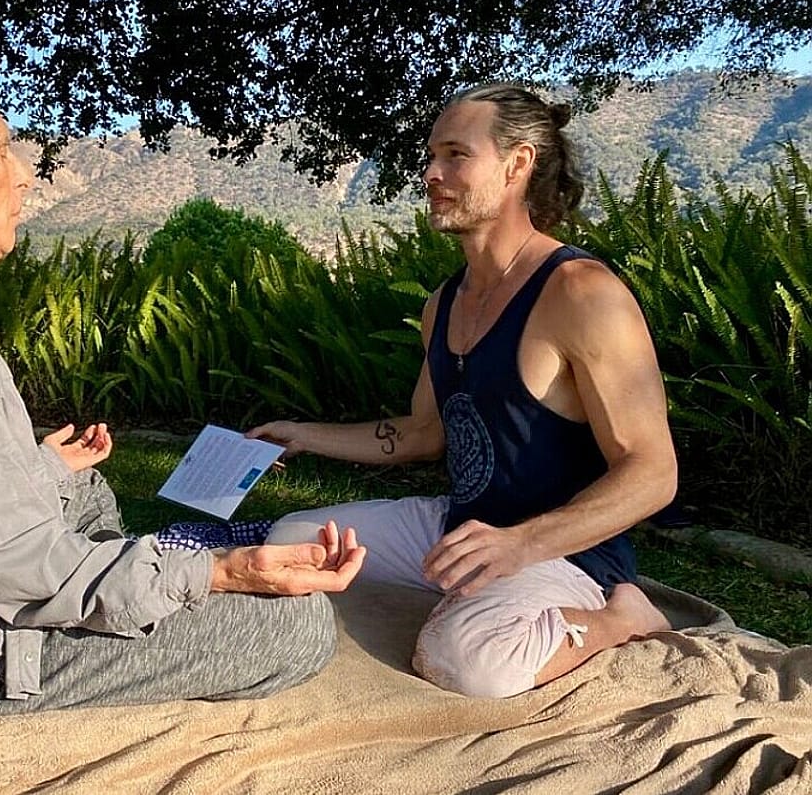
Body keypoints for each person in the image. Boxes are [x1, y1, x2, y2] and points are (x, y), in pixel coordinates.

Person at [0, 66, 365, 720]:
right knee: (298, 626)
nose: (23, 173)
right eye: (3, 150)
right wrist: (223, 570)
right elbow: (12, 561)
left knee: (78, 485)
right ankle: (122, 602)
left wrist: (43, 468)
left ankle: (116, 588)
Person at [249, 83, 676, 699]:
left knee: (463, 660)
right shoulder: (442, 304)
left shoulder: (581, 293)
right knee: (292, 542)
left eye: (455, 155)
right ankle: (470, 591)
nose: (431, 173)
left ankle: (622, 617)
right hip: (462, 526)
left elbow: (653, 473)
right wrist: (302, 436)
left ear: (518, 164)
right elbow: (425, 433)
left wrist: (520, 544)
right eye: (430, 156)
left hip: (564, 552)